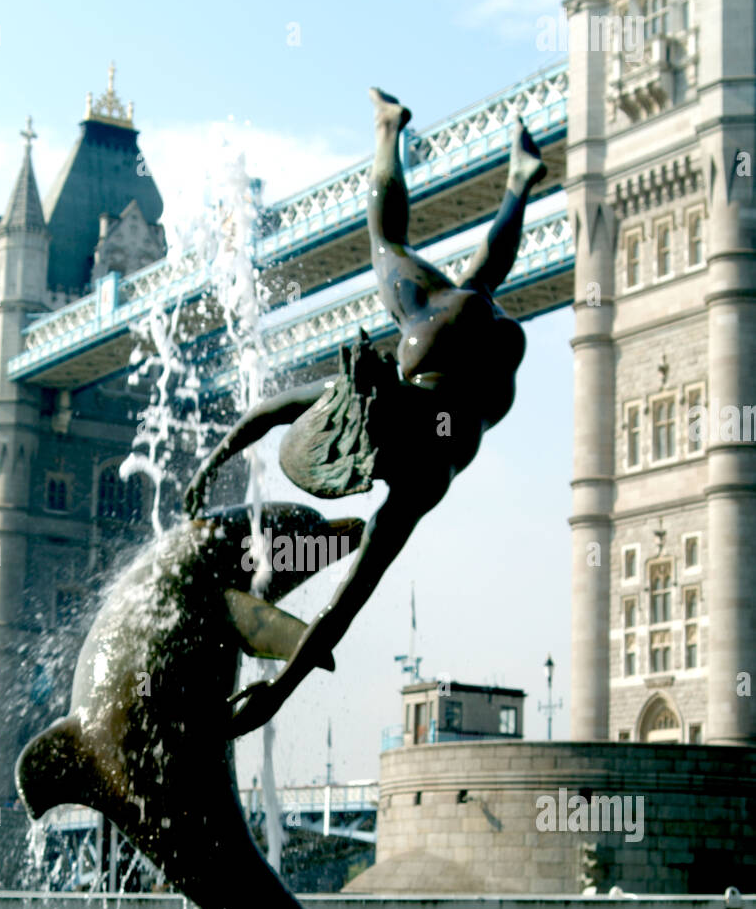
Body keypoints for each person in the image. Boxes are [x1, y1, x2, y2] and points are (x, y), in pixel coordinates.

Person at [184, 87, 547, 737]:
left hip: (488, 360)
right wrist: (211, 467)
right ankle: (392, 130)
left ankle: (512, 177)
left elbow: (342, 606)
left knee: (467, 274)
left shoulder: (422, 479)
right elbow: (270, 413)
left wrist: (276, 694)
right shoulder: (391, 420)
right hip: (444, 339)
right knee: (386, 243)